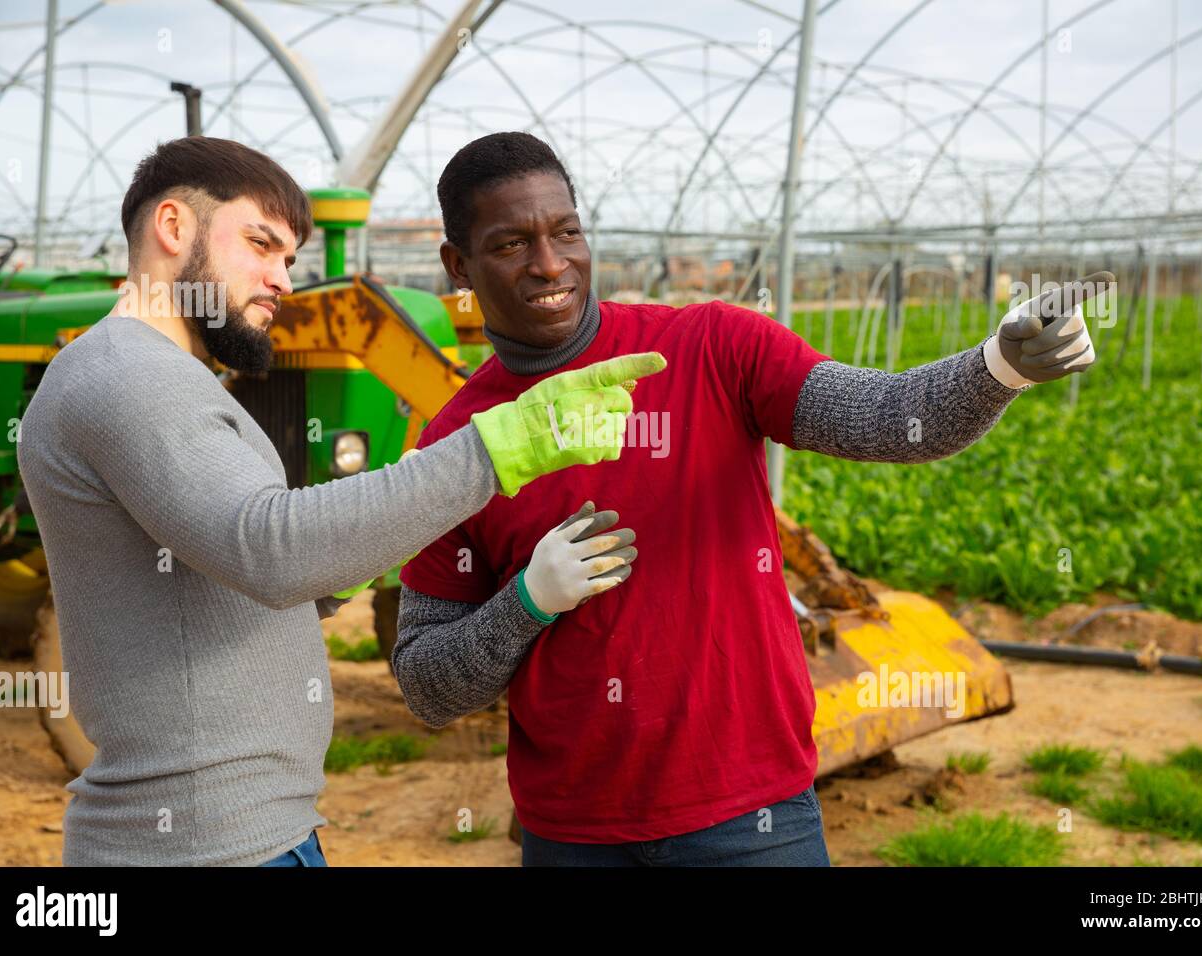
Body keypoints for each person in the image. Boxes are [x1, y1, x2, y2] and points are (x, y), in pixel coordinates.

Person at [392, 131, 1101, 867]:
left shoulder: (710, 346)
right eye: (511, 244)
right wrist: (526, 603)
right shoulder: (457, 446)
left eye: (565, 232)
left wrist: (999, 365)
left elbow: (892, 417)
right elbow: (427, 685)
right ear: (458, 265)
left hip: (752, 816)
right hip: (576, 834)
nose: (549, 264)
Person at [16, 135, 662, 866]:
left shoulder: (162, 376)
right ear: (173, 226)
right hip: (206, 847)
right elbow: (270, 549)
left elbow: (252, 575)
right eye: (261, 245)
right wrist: (496, 448)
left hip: (244, 836)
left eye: (290, 259)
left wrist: (385, 527)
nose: (282, 281)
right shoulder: (128, 373)